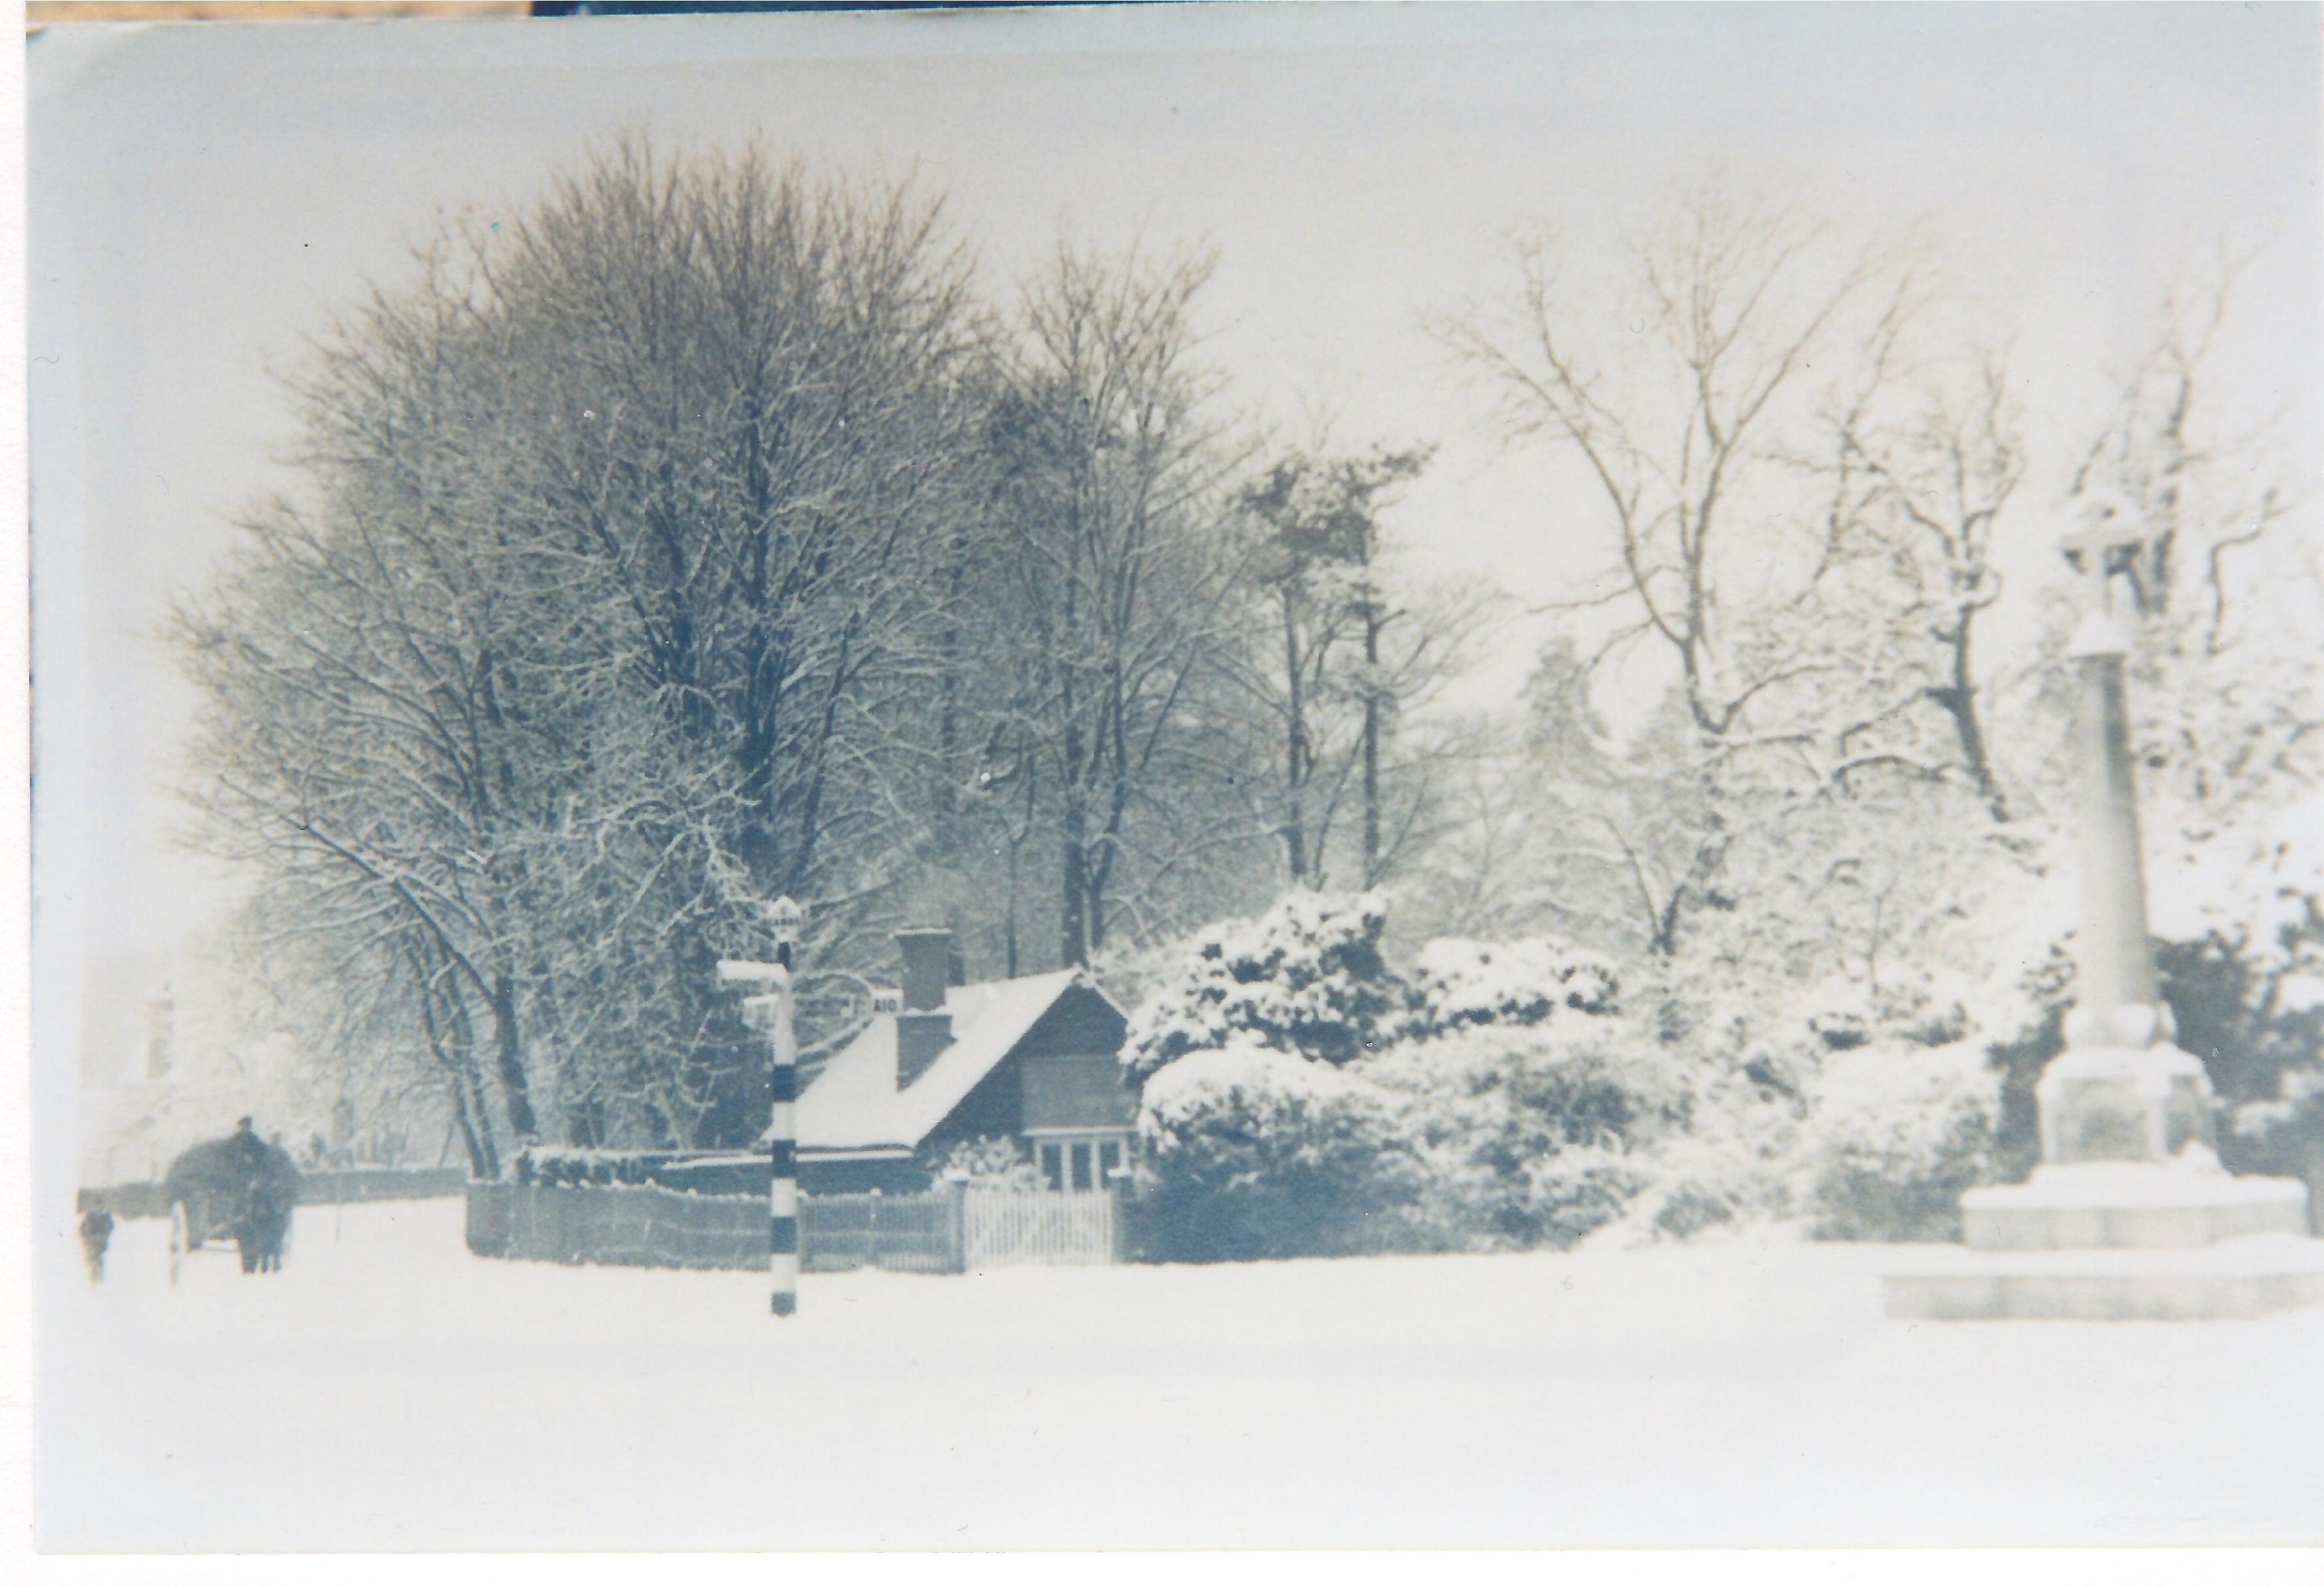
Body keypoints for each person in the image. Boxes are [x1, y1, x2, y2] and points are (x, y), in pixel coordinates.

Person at [78, 1204, 114, 1283]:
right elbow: (82, 1231)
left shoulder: (104, 1216)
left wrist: (104, 1235)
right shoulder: (90, 1216)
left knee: (97, 1261)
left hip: (98, 1244)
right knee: (93, 1261)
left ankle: (97, 1280)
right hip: (93, 1244)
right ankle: (93, 1279)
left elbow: (111, 1226)